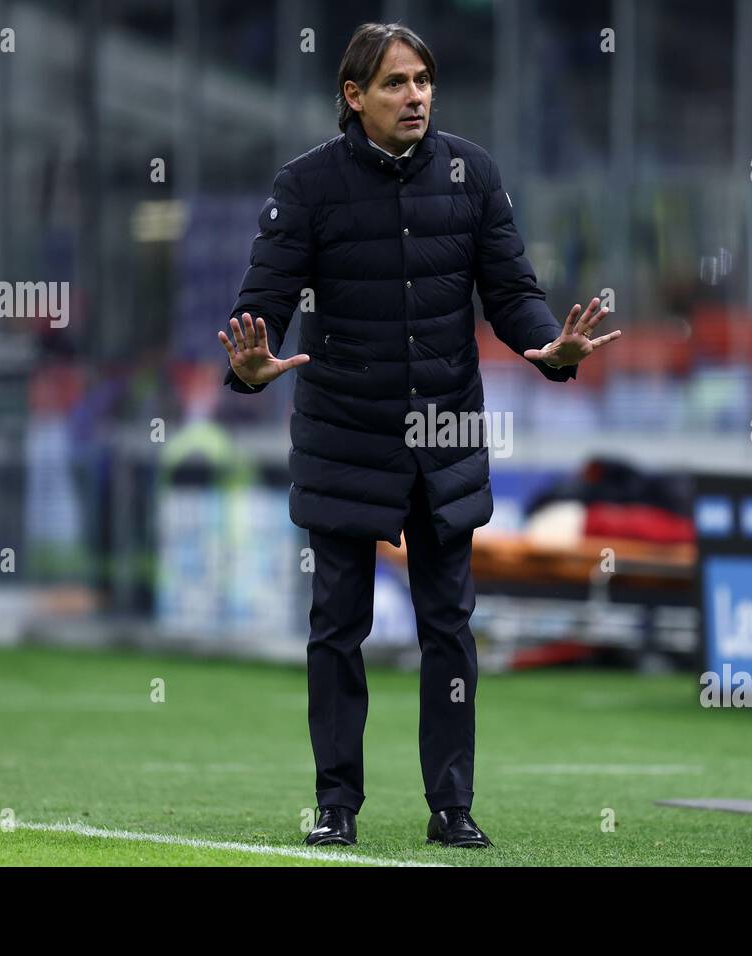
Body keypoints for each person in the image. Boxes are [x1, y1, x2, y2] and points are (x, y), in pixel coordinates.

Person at [218, 22, 620, 848]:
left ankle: (452, 808)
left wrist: (549, 345)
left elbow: (512, 293)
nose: (416, 96)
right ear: (353, 97)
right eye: (396, 83)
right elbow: (263, 303)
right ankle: (336, 808)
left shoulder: (473, 175)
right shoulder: (305, 186)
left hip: (445, 434)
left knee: (449, 628)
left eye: (424, 80)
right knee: (338, 628)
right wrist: (248, 364)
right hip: (342, 434)